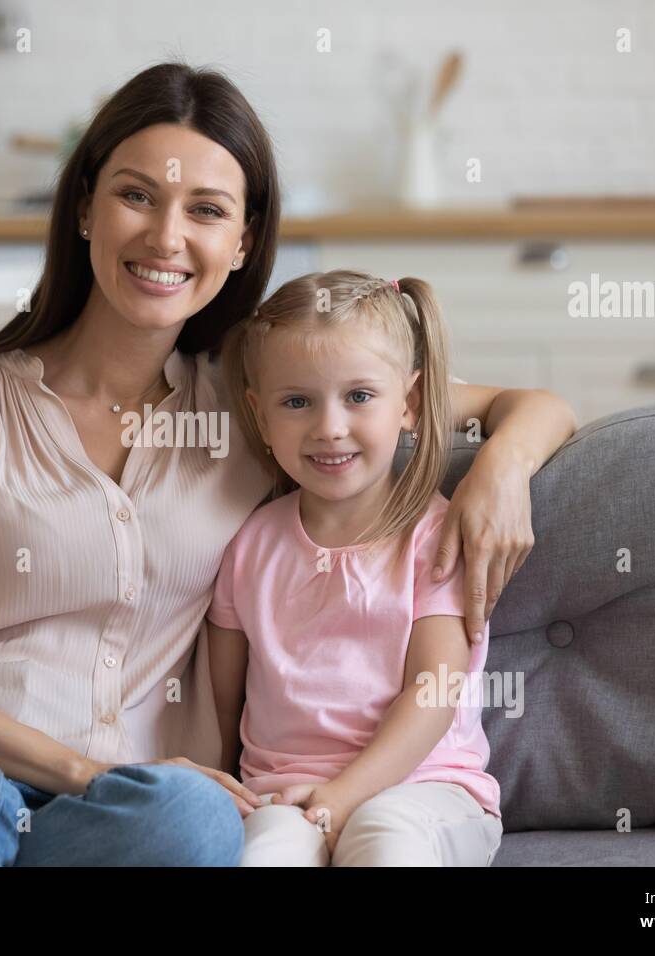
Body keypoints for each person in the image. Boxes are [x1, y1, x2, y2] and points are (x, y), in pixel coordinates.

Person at [0, 62, 576, 866]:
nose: (166, 237)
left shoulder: (263, 406)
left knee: (191, 818)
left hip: (104, 819)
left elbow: (520, 405)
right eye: (136, 196)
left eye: (206, 210)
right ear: (85, 207)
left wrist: (503, 467)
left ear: (242, 242)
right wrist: (81, 769)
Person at [210, 270, 505, 866]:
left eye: (359, 396)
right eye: (296, 402)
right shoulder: (249, 545)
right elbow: (220, 702)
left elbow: (436, 688)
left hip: (426, 788)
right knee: (264, 855)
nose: (329, 427)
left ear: (410, 403)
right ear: (260, 416)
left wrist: (342, 797)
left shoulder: (433, 537)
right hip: (282, 795)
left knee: (387, 840)